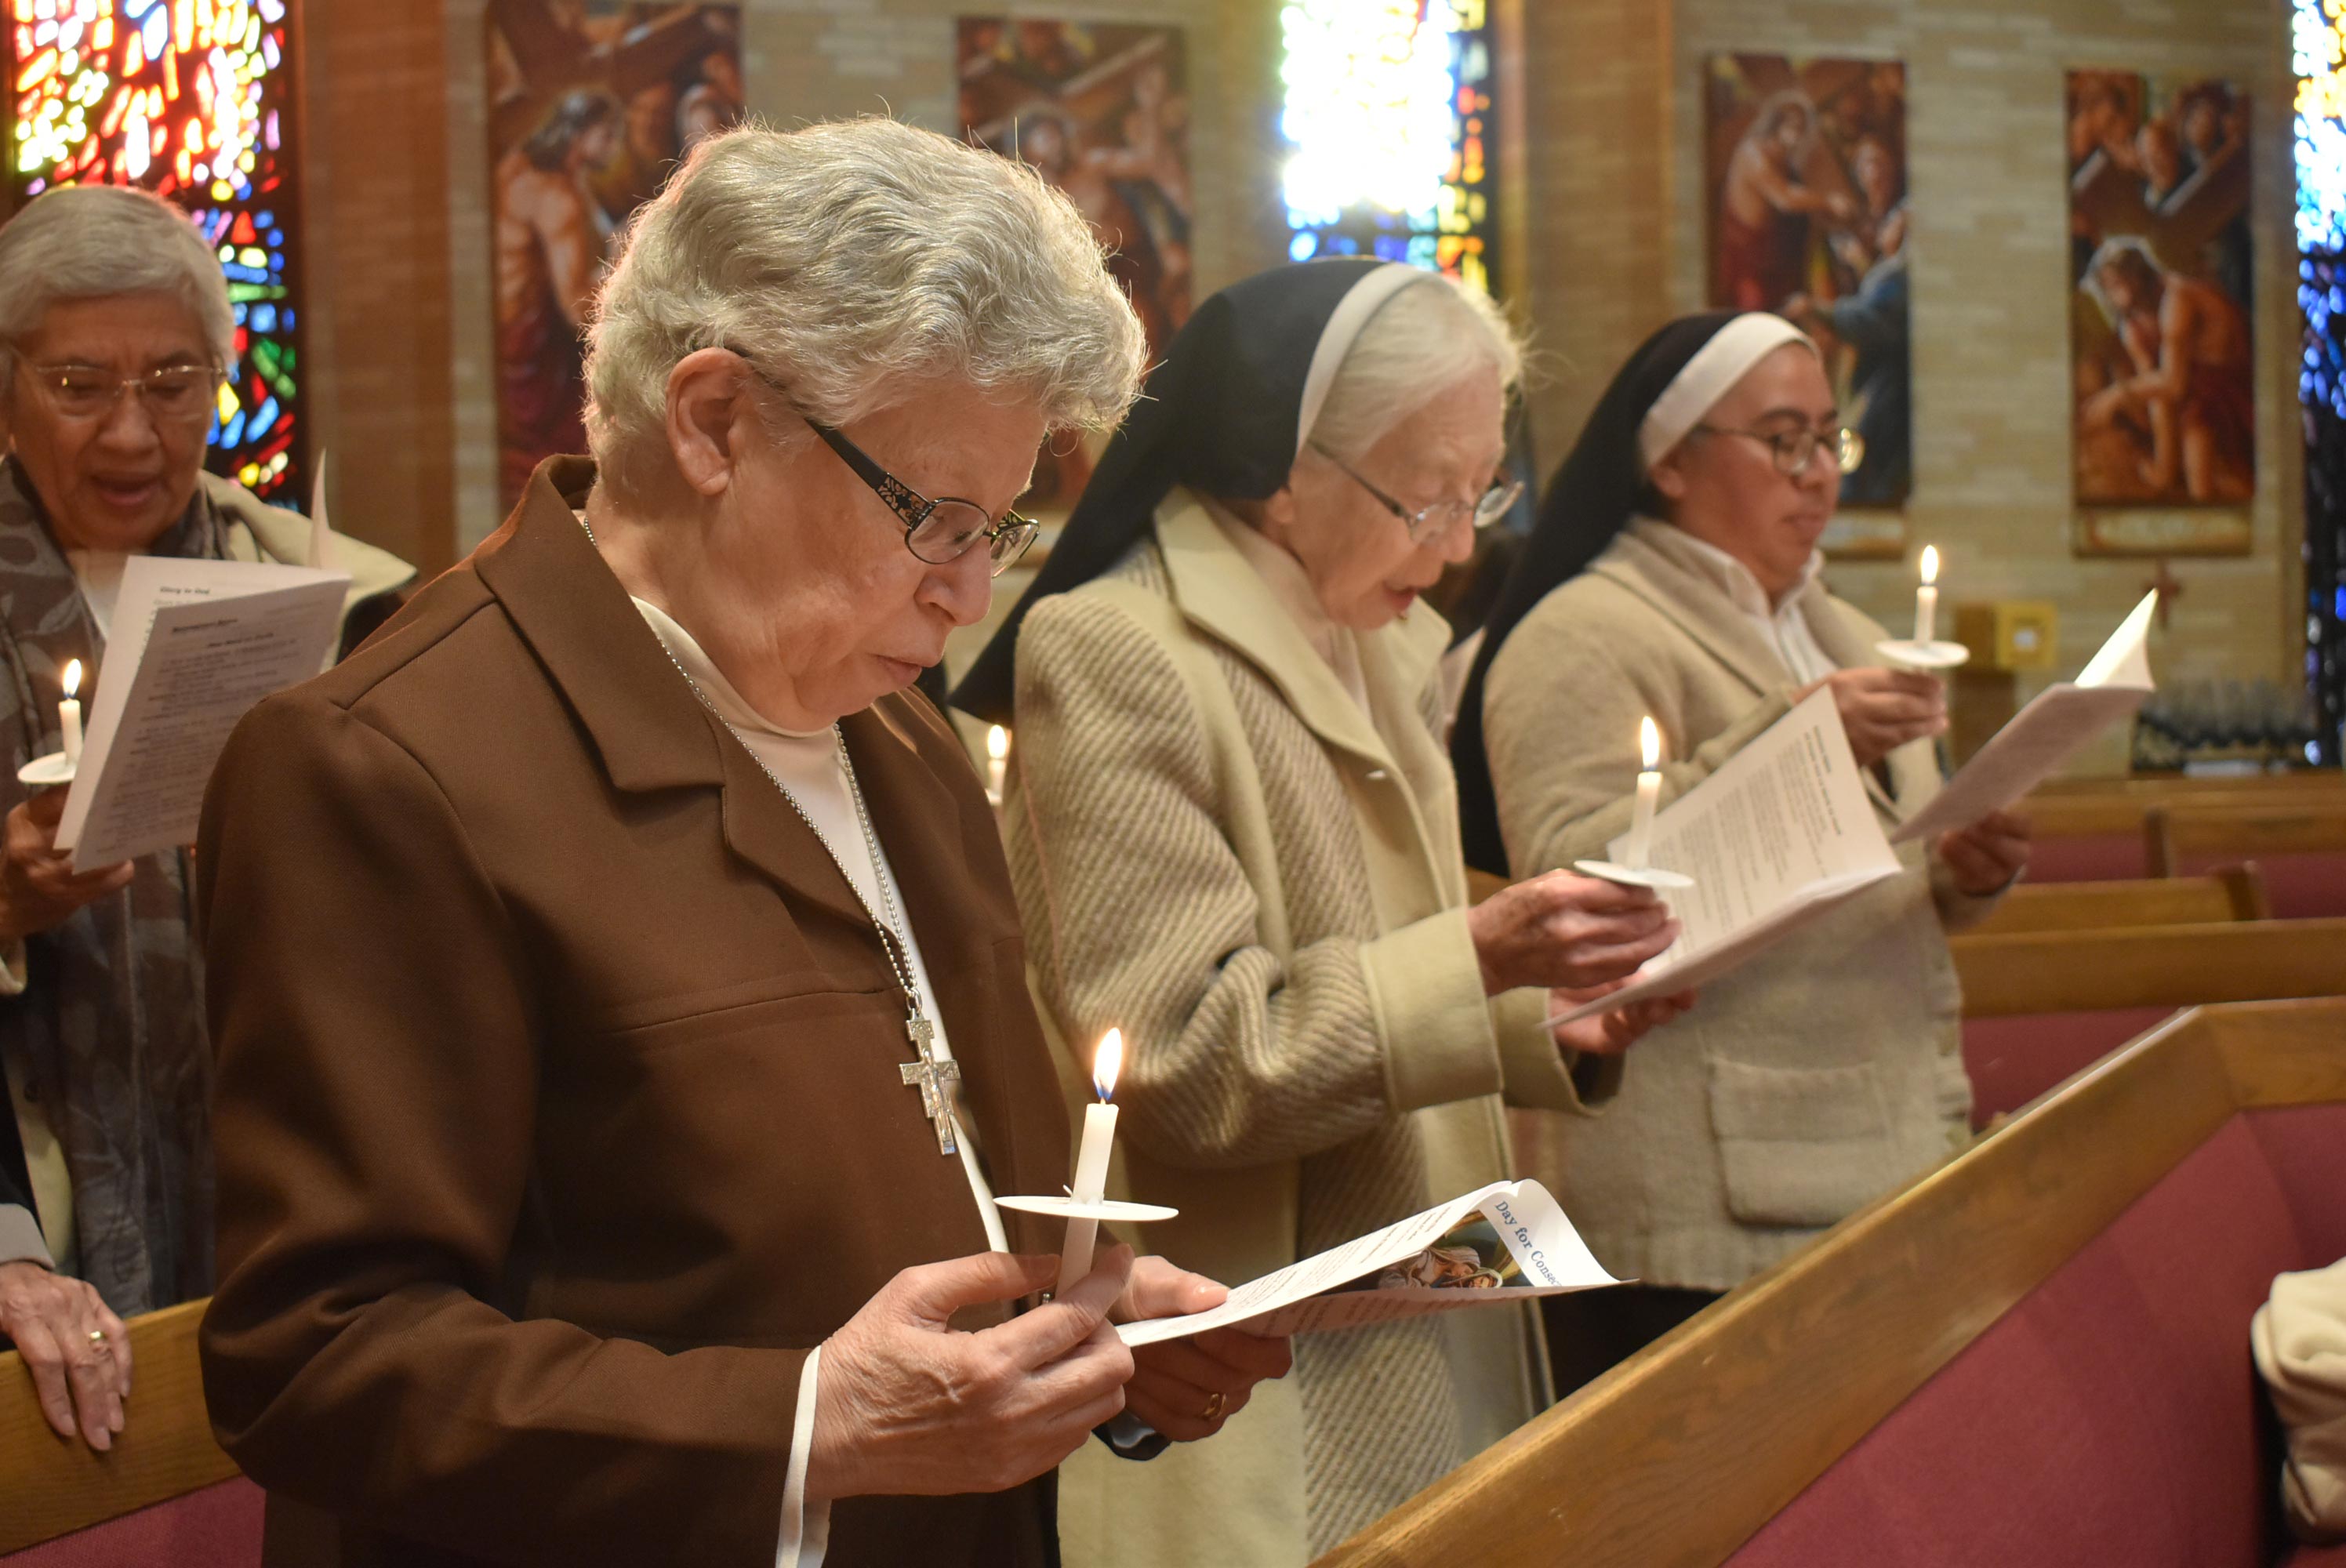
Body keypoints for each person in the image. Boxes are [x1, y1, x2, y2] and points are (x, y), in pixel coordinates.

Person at [197, 120, 1287, 1568]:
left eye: (1003, 527)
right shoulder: (385, 763)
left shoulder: (894, 726)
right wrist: (801, 1426)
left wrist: (1086, 1337)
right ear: (713, 423)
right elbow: (318, 1364)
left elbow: (951, 1169)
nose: (971, 593)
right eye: (936, 518)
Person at [955, 260, 1691, 1566]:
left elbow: (1385, 946)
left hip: (1434, 1281)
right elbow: (1177, 1055)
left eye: (1484, 493)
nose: (1462, 545)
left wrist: (1566, 1019)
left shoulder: (1379, 636)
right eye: (1429, 497)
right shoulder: (1121, 650)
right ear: (1281, 469)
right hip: (1259, 1356)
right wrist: (1478, 955)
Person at [1453, 310, 2031, 1393]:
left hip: (1887, 1153)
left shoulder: (1844, 631)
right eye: (1783, 440)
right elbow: (1577, 894)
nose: (1819, 476)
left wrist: (1963, 868)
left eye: (1830, 440)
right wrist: (1790, 738)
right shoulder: (1582, 634)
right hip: (1707, 1198)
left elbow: (1871, 869)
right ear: (1671, 461)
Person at [0, 183, 412, 1452]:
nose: (133, 433)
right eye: (81, 386)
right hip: (32, 1205)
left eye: (174, 382)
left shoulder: (319, 587)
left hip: (285, 1187)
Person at [493, 89, 626, 504]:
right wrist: (623, 270)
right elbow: (575, 308)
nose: (615, 147)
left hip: (524, 336)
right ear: (580, 133)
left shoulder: (521, 166)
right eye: (607, 135)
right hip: (541, 351)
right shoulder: (558, 197)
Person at [2081, 239, 2253, 503]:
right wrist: (2165, 468)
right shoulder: (2134, 326)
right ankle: (2176, 477)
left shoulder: (2177, 298)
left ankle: (2203, 501)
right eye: (2109, 288)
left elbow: (2173, 383)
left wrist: (2116, 396)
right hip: (2196, 391)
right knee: (2188, 410)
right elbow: (2157, 394)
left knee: (2197, 419)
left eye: (2118, 284)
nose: (2115, 296)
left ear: (2138, 276)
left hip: (2234, 387)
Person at [1714, 93, 1854, 311]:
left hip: (1772, 256)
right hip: (1749, 257)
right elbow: (1784, 198)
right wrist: (1828, 201)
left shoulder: (1783, 160)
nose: (1797, 135)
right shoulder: (1753, 154)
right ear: (1776, 124)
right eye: (1793, 126)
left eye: (1802, 128)